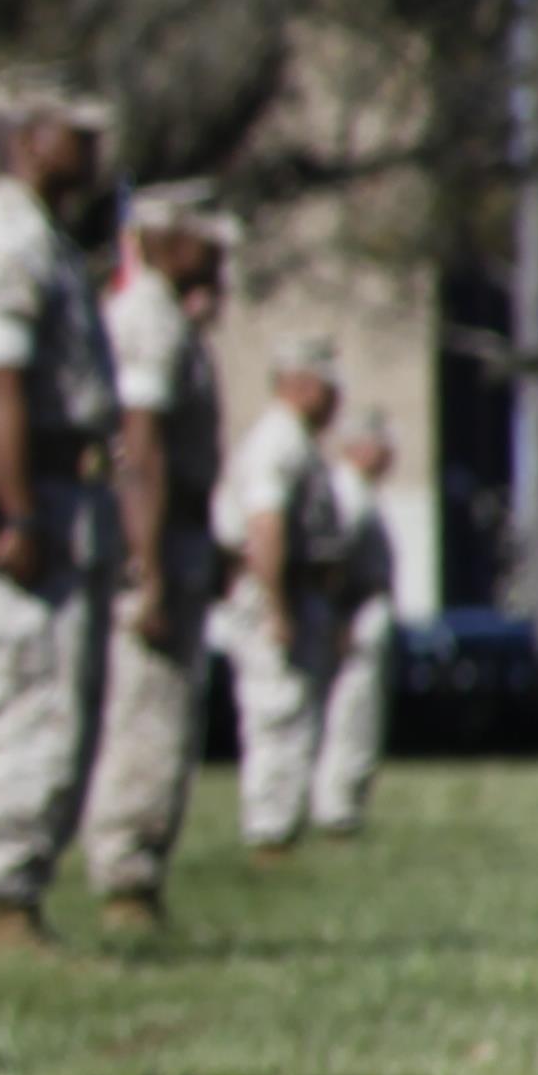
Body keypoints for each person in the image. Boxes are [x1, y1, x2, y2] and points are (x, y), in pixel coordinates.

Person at [0, 71, 122, 947]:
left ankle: (20, 895)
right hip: (22, 496)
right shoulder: (7, 242)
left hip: (52, 488)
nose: (94, 148)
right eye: (79, 129)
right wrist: (19, 516)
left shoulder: (40, 236)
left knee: (51, 699)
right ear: (31, 137)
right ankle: (5, 905)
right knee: (19, 699)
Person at [75, 182, 231, 935]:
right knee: (147, 712)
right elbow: (140, 450)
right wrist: (149, 570)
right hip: (157, 542)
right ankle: (125, 882)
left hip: (185, 536)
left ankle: (142, 880)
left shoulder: (173, 319)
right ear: (165, 240)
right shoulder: (147, 321)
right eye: (205, 237)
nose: (219, 254)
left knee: (171, 711)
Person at [219, 334, 343, 858]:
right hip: (278, 592)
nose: (337, 401)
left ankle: (283, 832)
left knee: (296, 718)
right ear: (301, 385)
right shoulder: (279, 442)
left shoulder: (296, 441)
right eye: (329, 387)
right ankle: (271, 839)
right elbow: (265, 527)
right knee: (278, 714)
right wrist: (277, 609)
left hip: (297, 591)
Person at [311, 413, 399, 835]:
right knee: (350, 720)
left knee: (360, 720)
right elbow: (336, 562)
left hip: (363, 619)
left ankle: (346, 807)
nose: (390, 454)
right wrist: (342, 619)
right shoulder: (348, 493)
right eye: (383, 444)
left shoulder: (362, 492)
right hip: (354, 623)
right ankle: (337, 812)